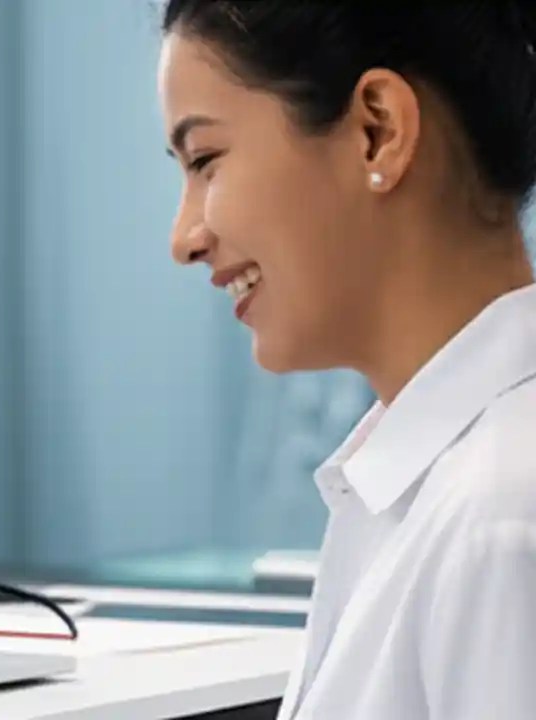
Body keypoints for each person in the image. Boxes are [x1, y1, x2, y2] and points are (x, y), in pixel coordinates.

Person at [158, 2, 536, 718]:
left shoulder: (501, 518)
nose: (184, 237)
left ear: (377, 133)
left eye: (206, 160)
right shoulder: (405, 492)